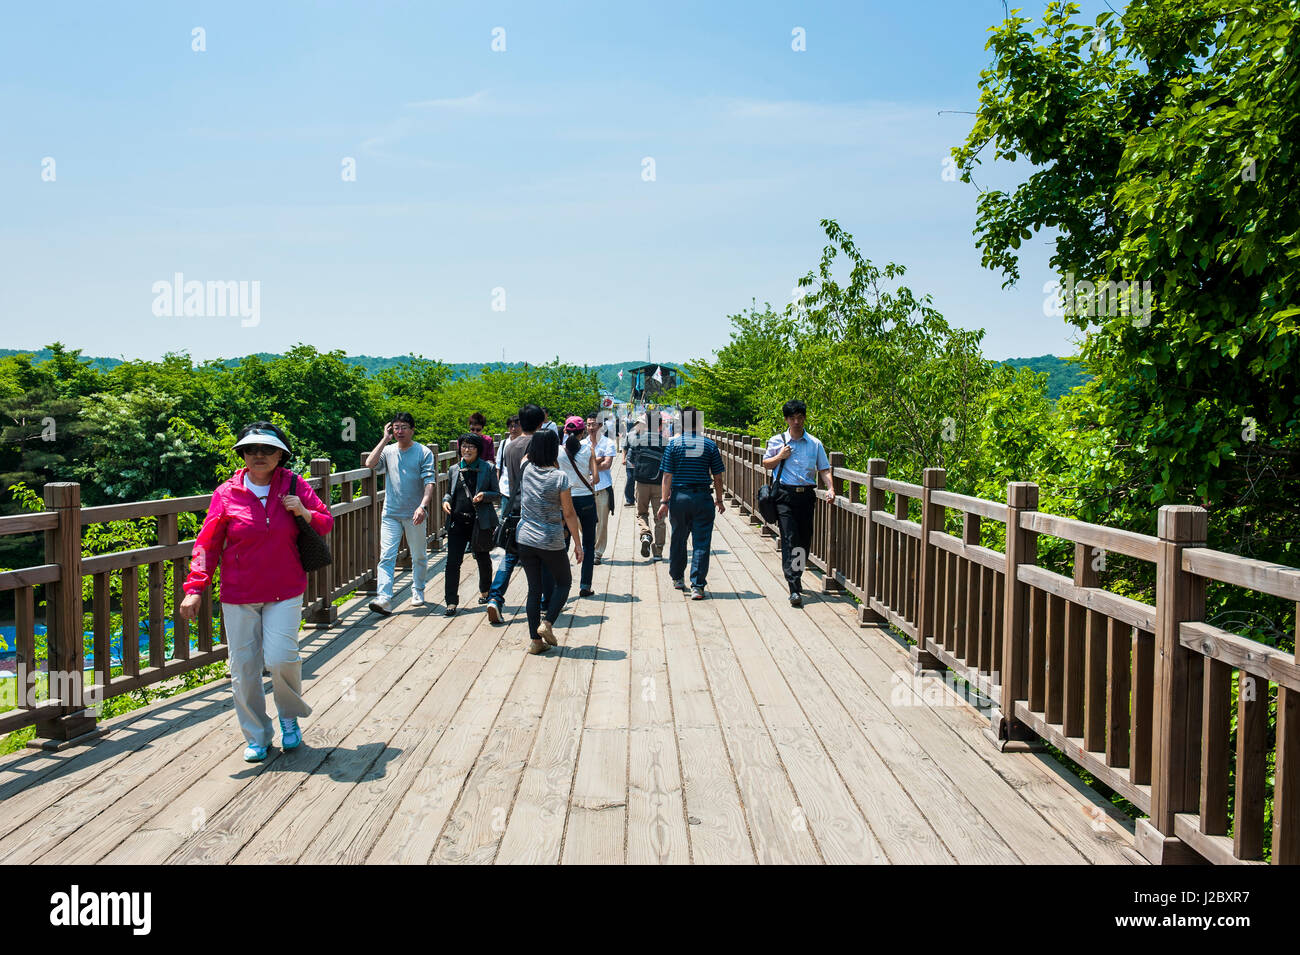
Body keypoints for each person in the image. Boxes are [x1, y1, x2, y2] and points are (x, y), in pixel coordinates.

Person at [178, 422, 334, 762]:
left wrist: (303, 511)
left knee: (281, 658)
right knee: (244, 667)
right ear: (242, 454)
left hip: (285, 589)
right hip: (239, 593)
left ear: (281, 455)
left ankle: (289, 716)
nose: (259, 455)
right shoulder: (226, 493)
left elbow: (325, 522)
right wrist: (195, 588)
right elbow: (207, 545)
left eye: (267, 450)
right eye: (251, 450)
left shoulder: (295, 484)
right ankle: (257, 735)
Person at [516, 429, 584, 654]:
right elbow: (569, 513)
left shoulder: (526, 468)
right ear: (555, 449)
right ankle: (547, 624)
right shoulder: (559, 477)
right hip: (551, 539)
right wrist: (578, 543)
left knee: (534, 590)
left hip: (525, 538)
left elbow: (527, 454)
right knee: (564, 583)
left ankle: (535, 642)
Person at [485, 403, 555, 623]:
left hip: (515, 508)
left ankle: (495, 598)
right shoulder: (539, 445)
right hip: (537, 509)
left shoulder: (509, 445)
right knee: (544, 558)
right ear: (541, 422)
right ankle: (545, 604)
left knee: (510, 555)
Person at [762, 399, 836, 607]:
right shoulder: (778, 440)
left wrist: (830, 488)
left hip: (806, 496)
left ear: (804, 418)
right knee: (790, 538)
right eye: (792, 418)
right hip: (785, 495)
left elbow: (823, 468)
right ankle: (794, 586)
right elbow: (766, 463)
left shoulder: (814, 443)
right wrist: (780, 455)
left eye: (800, 418)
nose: (796, 422)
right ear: (786, 419)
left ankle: (797, 574)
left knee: (803, 541)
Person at [364, 413, 436, 614]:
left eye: (404, 427)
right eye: (396, 427)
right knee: (386, 556)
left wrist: (422, 506)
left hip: (415, 513)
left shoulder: (423, 452)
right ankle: (384, 598)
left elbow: (430, 482)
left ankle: (418, 589)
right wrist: (384, 439)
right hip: (391, 513)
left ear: (412, 429)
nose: (399, 431)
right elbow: (370, 463)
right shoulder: (388, 451)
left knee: (418, 555)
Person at [656, 406, 726, 599]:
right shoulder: (709, 445)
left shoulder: (673, 445)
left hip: (679, 498)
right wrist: (719, 500)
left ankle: (678, 578)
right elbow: (718, 476)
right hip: (702, 497)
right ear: (700, 423)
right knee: (701, 542)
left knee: (678, 538)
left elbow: (667, 476)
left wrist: (664, 501)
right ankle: (698, 585)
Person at [441, 432, 501, 615]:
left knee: (482, 558)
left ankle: (485, 591)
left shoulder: (487, 468)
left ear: (478, 450)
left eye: (471, 447)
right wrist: (445, 500)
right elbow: (450, 492)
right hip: (457, 521)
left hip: (479, 521)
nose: (466, 450)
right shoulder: (454, 469)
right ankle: (451, 601)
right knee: (452, 562)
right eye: (464, 446)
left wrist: (484, 496)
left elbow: (496, 494)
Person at [558, 415, 599, 596]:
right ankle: (585, 585)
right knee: (589, 543)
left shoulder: (558, 451)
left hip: (566, 500)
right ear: (583, 432)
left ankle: (562, 586)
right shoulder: (588, 450)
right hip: (586, 500)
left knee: (564, 543)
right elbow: (595, 478)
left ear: (565, 431)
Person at [629, 412, 668, 562]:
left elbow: (631, 460)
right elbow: (669, 466)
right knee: (660, 518)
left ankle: (645, 534)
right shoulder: (665, 442)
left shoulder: (638, 440)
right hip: (660, 484)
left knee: (642, 513)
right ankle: (658, 551)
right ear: (660, 425)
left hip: (641, 483)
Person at [585, 413, 617, 564]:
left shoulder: (608, 443)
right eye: (588, 424)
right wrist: (598, 459)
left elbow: (607, 465)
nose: (591, 427)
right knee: (584, 521)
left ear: (600, 426)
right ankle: (589, 547)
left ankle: (597, 552)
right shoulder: (583, 443)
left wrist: (590, 463)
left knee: (602, 522)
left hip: (602, 486)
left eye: (593, 424)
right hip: (585, 488)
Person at [496, 414, 522, 499]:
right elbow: (499, 466)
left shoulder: (526, 443)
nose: (513, 429)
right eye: (511, 426)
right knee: (505, 512)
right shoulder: (503, 443)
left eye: (517, 426)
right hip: (505, 487)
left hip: (522, 488)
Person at [621, 414, 640, 507]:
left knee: (641, 480)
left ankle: (640, 498)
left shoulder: (646, 435)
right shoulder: (630, 434)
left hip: (641, 461)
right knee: (630, 479)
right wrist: (623, 458)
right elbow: (625, 447)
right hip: (630, 460)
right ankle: (629, 499)